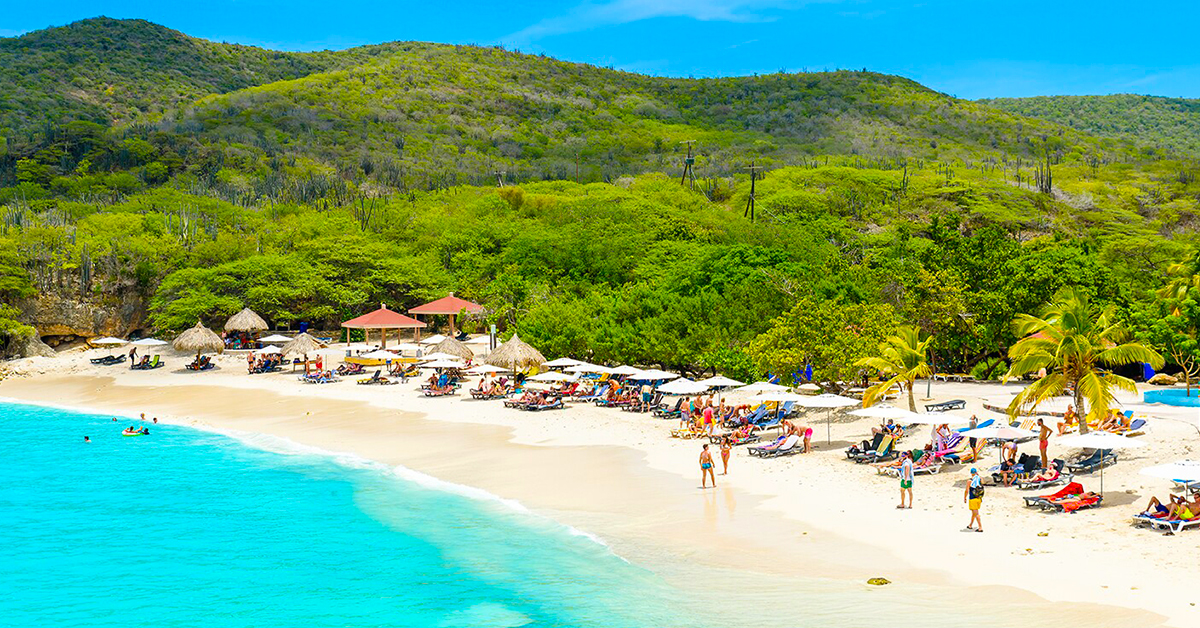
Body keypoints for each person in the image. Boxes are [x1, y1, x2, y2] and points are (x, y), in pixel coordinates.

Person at [964, 468, 984, 532]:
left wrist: (965, 497)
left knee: (976, 513)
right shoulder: (979, 479)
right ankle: (970, 525)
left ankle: (980, 527)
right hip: (979, 498)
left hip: (973, 499)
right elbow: (983, 483)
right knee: (974, 512)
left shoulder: (969, 481)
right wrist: (978, 475)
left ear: (971, 473)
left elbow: (967, 490)